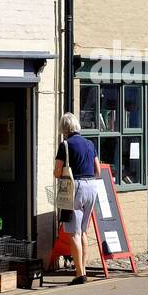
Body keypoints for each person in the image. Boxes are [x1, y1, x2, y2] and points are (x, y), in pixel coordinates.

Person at [54, 113, 99, 284]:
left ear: (63, 128)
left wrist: (59, 172)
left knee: (74, 233)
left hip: (76, 187)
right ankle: (83, 269)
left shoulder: (65, 145)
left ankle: (79, 274)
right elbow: (97, 170)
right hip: (92, 186)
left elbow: (58, 172)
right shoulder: (90, 144)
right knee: (84, 231)